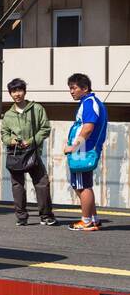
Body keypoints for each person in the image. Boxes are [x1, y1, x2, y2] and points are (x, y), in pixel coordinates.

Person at [0, 78, 55, 226]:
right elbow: (4, 134)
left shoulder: (37, 108)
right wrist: (11, 140)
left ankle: (46, 216)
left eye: (19, 90)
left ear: (24, 91)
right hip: (16, 153)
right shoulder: (8, 114)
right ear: (10, 94)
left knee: (42, 183)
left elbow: (45, 128)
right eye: (13, 91)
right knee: (17, 185)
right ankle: (21, 217)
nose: (16, 94)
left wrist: (30, 141)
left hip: (32, 152)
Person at [64, 73, 108, 232]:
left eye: (74, 88)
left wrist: (74, 147)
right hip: (85, 149)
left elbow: (88, 128)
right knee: (84, 185)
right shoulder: (91, 102)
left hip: (83, 150)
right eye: (70, 88)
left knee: (82, 187)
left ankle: (86, 221)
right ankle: (93, 219)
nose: (71, 91)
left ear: (85, 88)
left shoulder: (89, 103)